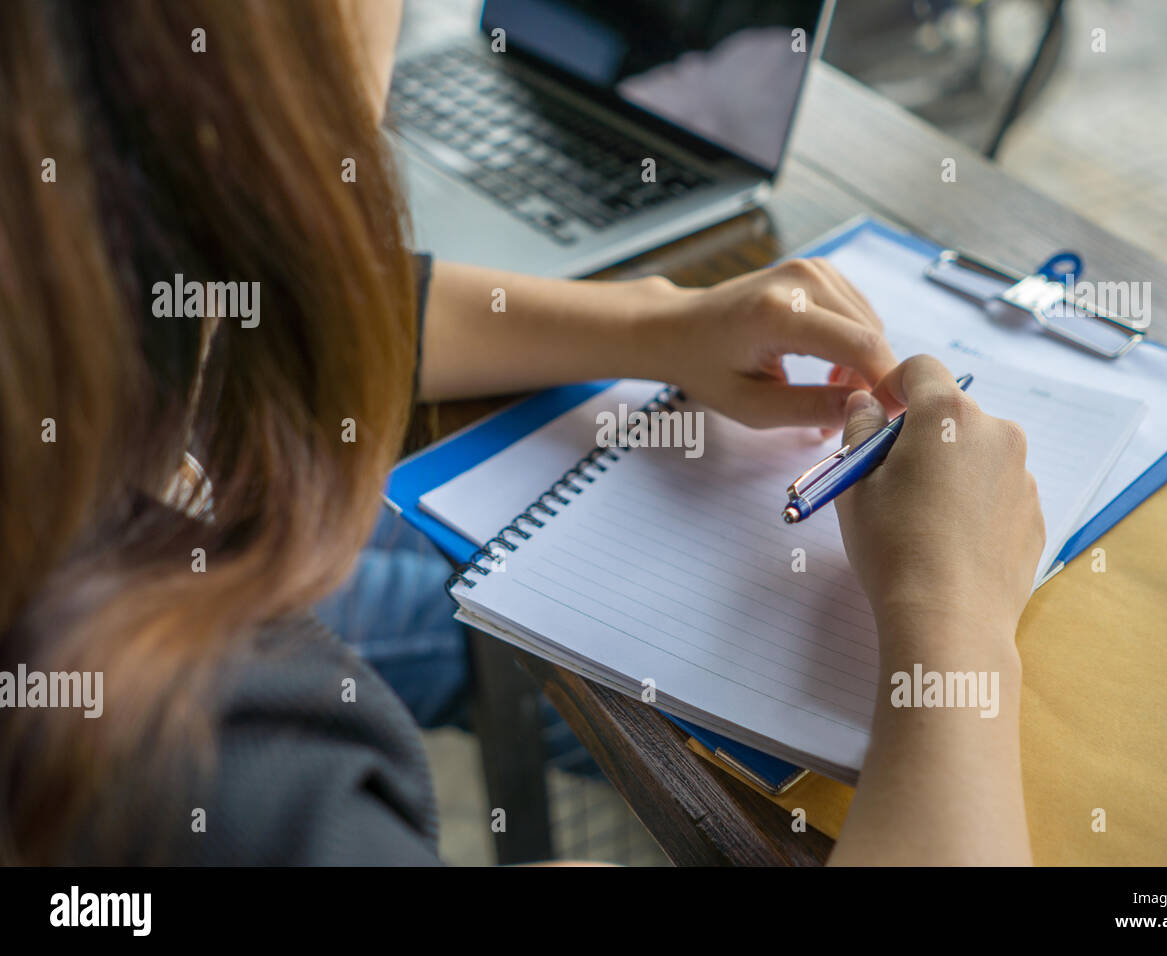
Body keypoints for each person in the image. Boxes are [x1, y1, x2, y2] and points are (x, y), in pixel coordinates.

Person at [0, 0, 1042, 865]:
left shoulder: (63, 268)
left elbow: (241, 304)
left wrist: (659, 324)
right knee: (512, 630)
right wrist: (953, 617)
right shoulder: (221, 782)